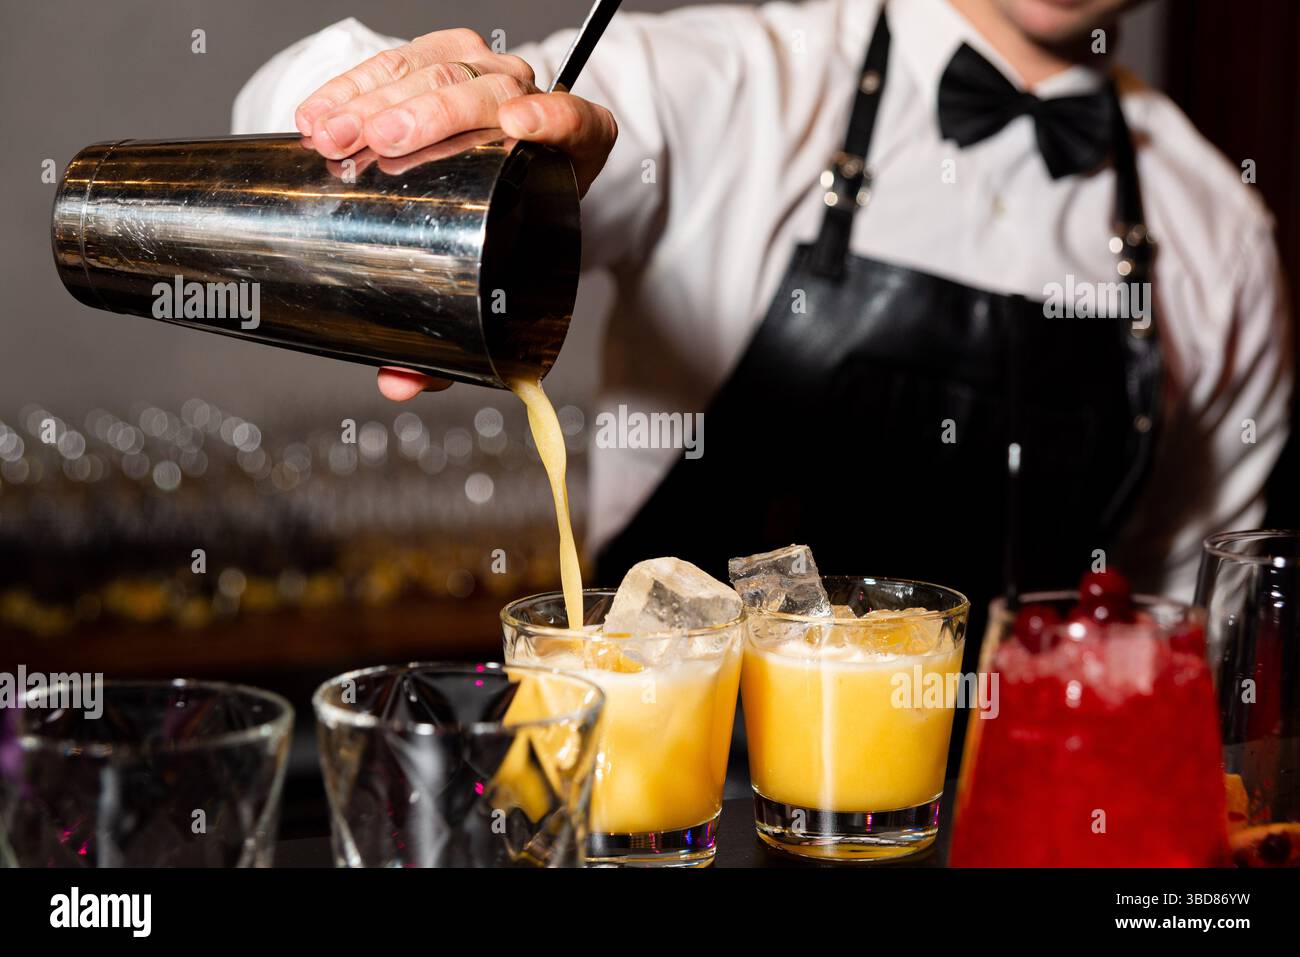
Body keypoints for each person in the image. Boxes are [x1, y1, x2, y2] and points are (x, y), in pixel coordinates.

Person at [234, 0, 1291, 626]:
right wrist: (418, 113)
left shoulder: (1219, 231)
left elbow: (1181, 623)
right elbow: (347, 107)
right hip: (668, 814)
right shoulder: (739, 83)